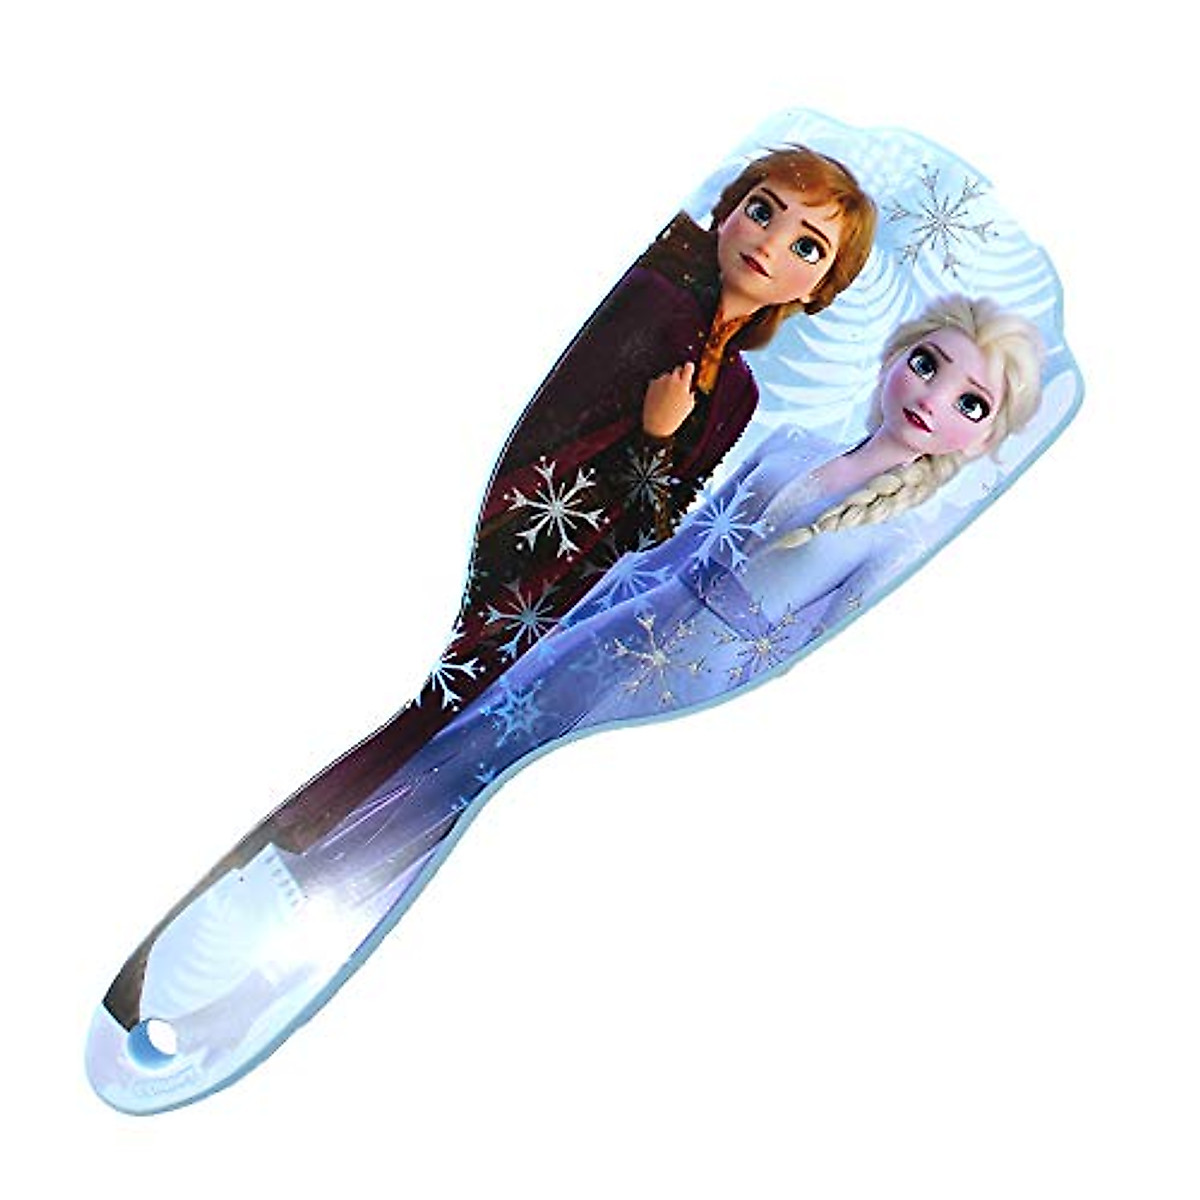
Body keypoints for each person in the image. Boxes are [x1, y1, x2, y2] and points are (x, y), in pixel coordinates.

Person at [124, 295, 1044, 1067]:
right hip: (611, 632)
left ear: (986, 440)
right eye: (927, 364)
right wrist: (582, 610)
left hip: (679, 698)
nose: (934, 399)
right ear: (894, 356)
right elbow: (682, 543)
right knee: (465, 756)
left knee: (508, 819)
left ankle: (271, 967)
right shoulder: (793, 443)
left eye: (972, 403)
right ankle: (278, 919)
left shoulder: (897, 540)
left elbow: (812, 658)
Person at [100, 144, 877, 1034]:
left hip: (567, 596)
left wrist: (662, 437)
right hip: (509, 558)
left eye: (808, 245)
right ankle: (197, 934)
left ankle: (233, 948)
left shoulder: (734, 391)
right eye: (764, 209)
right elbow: (548, 430)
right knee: (403, 731)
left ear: (817, 291)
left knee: (422, 750)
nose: (771, 241)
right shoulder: (652, 300)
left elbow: (660, 521)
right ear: (730, 209)